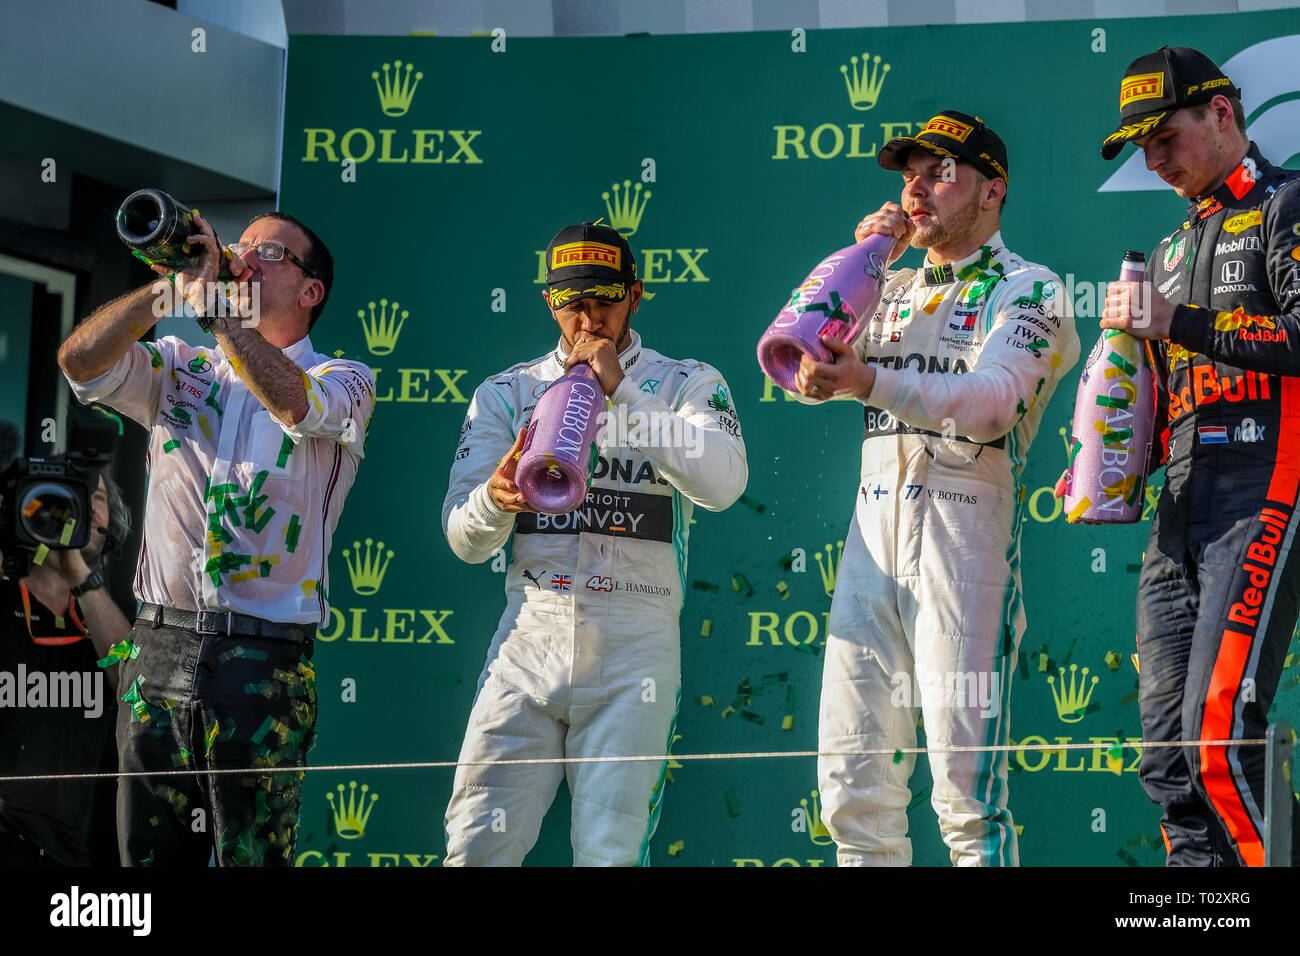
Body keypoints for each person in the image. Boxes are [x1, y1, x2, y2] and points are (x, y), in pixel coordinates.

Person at [792, 110, 1080, 866]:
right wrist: (860, 261)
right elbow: (794, 357)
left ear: (993, 191)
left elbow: (992, 402)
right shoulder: (882, 282)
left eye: (939, 173)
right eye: (908, 176)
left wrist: (871, 379)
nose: (916, 189)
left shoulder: (1033, 289)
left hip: (965, 541)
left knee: (967, 794)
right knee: (853, 790)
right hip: (870, 550)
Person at [56, 210, 375, 866]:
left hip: (261, 660)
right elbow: (78, 363)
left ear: (310, 291)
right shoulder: (180, 366)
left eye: (271, 253)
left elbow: (294, 406)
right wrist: (168, 289)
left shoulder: (344, 379)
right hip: (156, 644)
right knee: (143, 866)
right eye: (243, 245)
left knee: (249, 860)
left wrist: (222, 316)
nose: (246, 258)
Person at [442, 221, 748, 866]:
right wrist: (493, 503)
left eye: (605, 296)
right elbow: (463, 540)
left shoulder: (686, 382)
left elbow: (722, 484)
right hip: (529, 633)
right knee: (475, 846)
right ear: (547, 300)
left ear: (636, 294)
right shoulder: (506, 393)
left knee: (610, 855)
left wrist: (623, 391)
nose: (588, 317)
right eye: (570, 300)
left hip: (634, 639)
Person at [1098, 46, 1300, 867]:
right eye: (1139, 146)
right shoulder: (1172, 246)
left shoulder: (1289, 202)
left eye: (1164, 135)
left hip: (1266, 485)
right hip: (1177, 508)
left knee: (1220, 739)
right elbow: (1168, 382)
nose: (1153, 158)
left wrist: (1173, 322)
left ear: (1222, 113)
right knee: (1171, 763)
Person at [0, 467, 133, 865]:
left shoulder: (115, 617)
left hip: (75, 855)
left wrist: (76, 571)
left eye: (96, 498)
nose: (85, 509)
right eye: (68, 497)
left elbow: (136, 693)